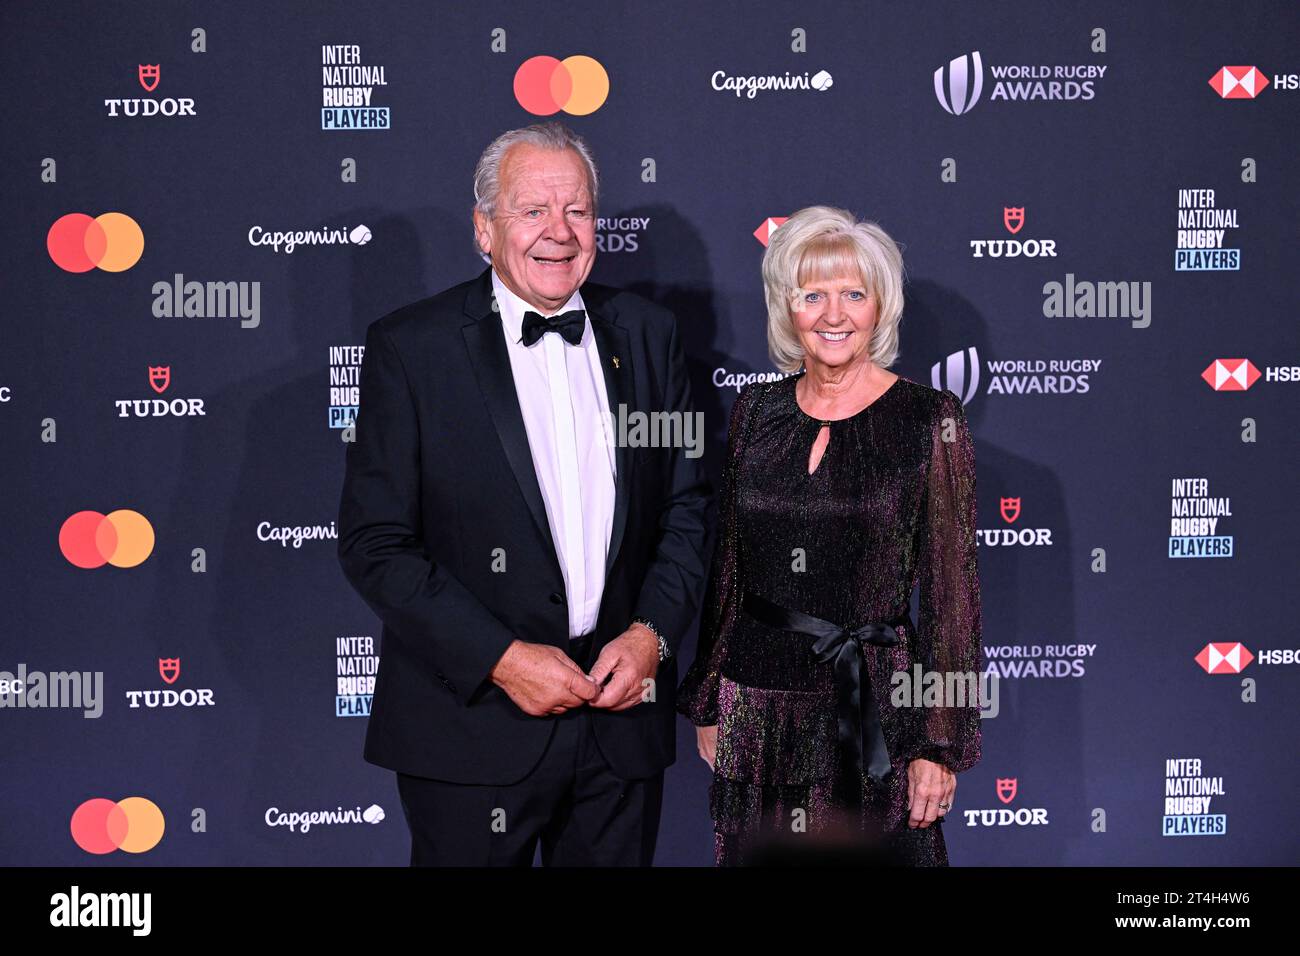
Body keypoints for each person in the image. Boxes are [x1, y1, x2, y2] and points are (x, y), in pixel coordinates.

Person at [338, 121, 712, 866]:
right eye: (531, 211)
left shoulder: (647, 337)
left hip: (618, 731)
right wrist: (503, 658)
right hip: (472, 729)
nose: (559, 232)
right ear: (484, 229)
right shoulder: (413, 349)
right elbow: (376, 542)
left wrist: (650, 637)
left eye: (576, 210)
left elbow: (685, 507)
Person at [676, 205, 982, 866]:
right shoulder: (757, 411)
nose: (833, 314)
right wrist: (708, 693)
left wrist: (938, 743)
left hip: (874, 707)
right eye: (812, 294)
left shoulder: (930, 418)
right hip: (757, 707)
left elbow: (953, 596)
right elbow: (729, 563)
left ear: (881, 306)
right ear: (787, 308)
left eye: (853, 293)